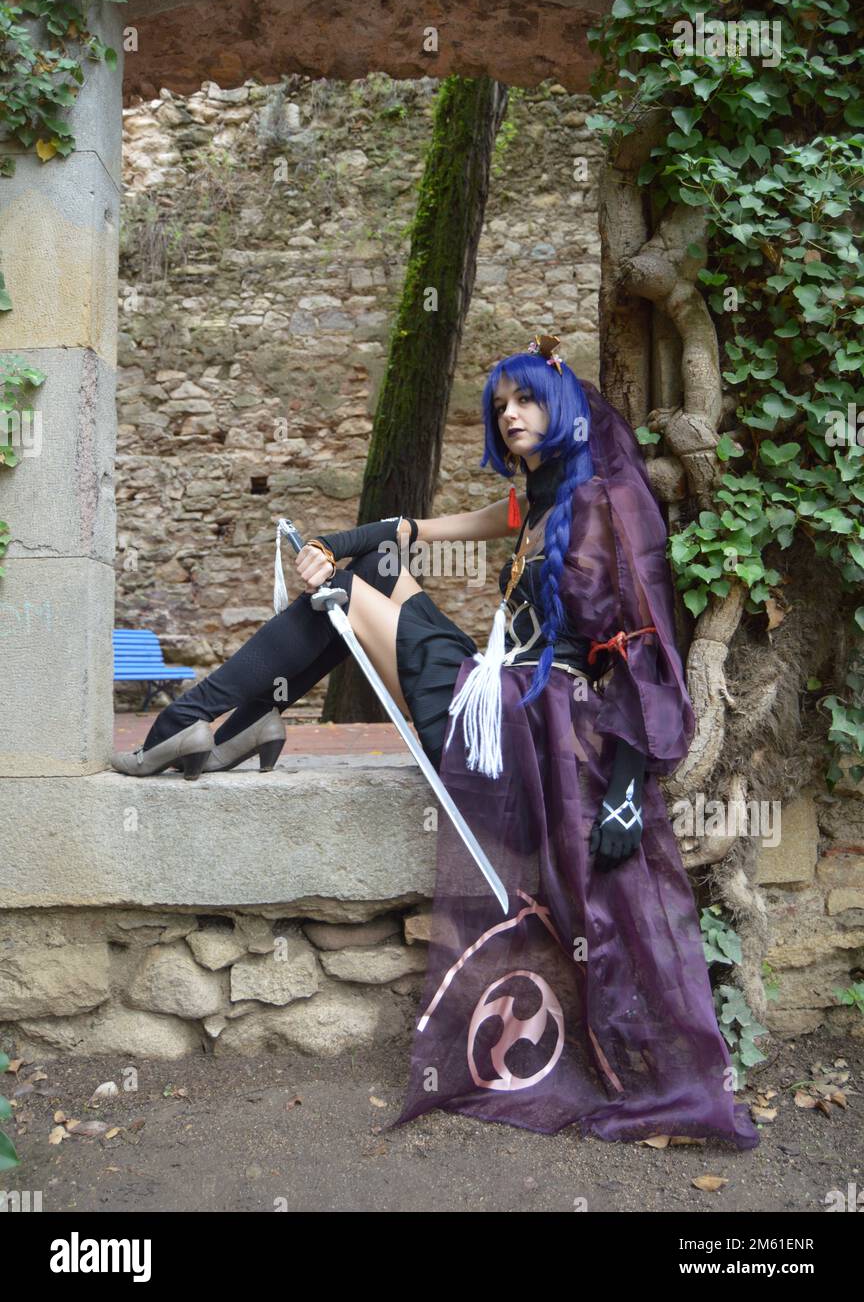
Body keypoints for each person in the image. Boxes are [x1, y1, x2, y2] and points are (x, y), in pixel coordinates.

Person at [110, 334, 759, 1151]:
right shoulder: (538, 500)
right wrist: (341, 544)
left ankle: (198, 724)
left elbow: (640, 649)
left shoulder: (605, 504)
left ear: (560, 406)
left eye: (524, 400)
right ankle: (226, 723)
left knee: (343, 598)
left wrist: (628, 787)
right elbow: (420, 530)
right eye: (499, 407)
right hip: (497, 691)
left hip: (524, 724)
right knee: (357, 579)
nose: (511, 415)